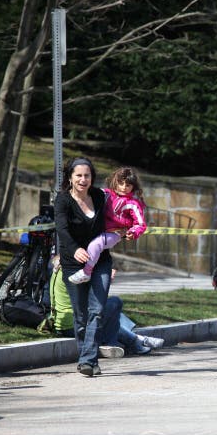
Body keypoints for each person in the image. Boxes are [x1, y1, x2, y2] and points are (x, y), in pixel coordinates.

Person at [54, 157, 113, 376]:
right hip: (73, 264)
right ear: (70, 177)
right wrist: (74, 249)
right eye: (78, 175)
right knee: (80, 316)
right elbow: (62, 229)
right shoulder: (62, 200)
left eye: (87, 175)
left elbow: (113, 218)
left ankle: (88, 360)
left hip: (101, 262)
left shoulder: (99, 196)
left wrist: (124, 229)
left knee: (96, 311)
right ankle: (87, 358)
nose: (83, 179)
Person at [49, 259, 165, 354]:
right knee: (115, 302)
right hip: (73, 324)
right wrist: (105, 280)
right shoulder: (77, 273)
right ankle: (133, 341)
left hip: (62, 321)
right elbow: (96, 303)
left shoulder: (61, 269)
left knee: (115, 313)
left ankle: (135, 340)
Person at [68, 167, 147, 284]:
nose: (124, 187)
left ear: (133, 187)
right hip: (96, 229)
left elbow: (140, 224)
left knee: (95, 245)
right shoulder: (105, 193)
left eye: (128, 185)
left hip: (114, 233)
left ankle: (86, 272)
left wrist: (133, 232)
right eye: (121, 183)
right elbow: (89, 192)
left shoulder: (133, 204)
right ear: (114, 182)